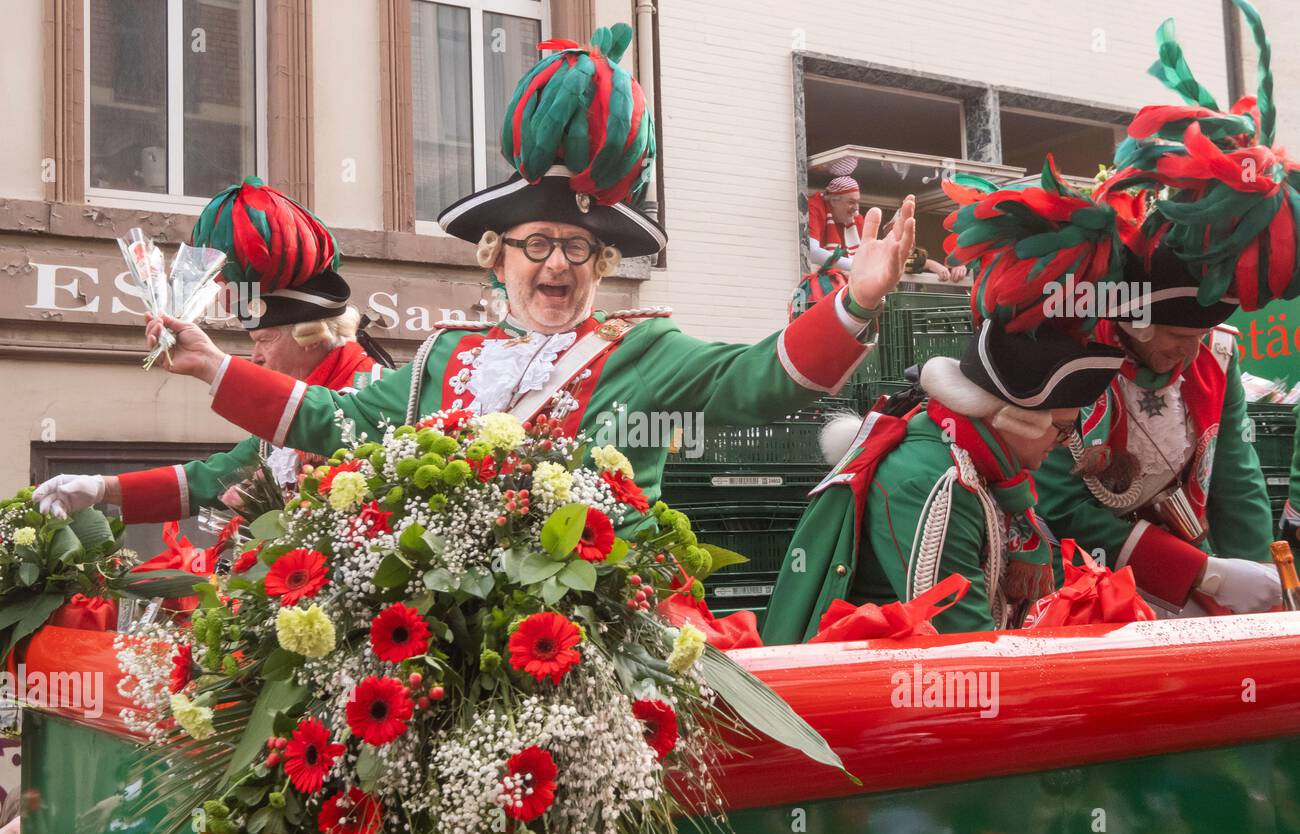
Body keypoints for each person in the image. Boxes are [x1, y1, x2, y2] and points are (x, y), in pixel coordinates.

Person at [133, 24, 915, 508]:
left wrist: (854, 304)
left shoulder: (644, 352)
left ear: (601, 262)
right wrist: (209, 366)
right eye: (535, 245)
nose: (557, 264)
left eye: (578, 249)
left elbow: (763, 379)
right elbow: (332, 423)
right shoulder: (445, 359)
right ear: (495, 257)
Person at [764, 159, 1126, 641]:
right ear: (1015, 418)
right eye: (1060, 429)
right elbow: (962, 643)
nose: (1064, 446)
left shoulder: (987, 464)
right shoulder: (936, 478)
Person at [1033, 0, 1291, 616]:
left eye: (1202, 335)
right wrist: (1201, 573)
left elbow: (1235, 479)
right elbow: (1058, 504)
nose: (1192, 351)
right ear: (1134, 317)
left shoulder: (1217, 355)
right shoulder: (1071, 356)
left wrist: (1251, 579)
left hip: (1190, 569)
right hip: (1078, 582)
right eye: (1177, 335)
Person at [34, 179, 393, 524]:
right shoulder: (281, 419)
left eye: (264, 340)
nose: (256, 357)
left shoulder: (379, 390)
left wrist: (210, 362)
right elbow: (212, 479)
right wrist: (101, 488)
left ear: (310, 336)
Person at [807, 160, 867, 269]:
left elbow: (869, 256)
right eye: (851, 202)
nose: (856, 209)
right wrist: (857, 267)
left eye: (858, 202)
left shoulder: (856, 219)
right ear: (834, 201)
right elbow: (812, 252)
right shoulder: (814, 206)